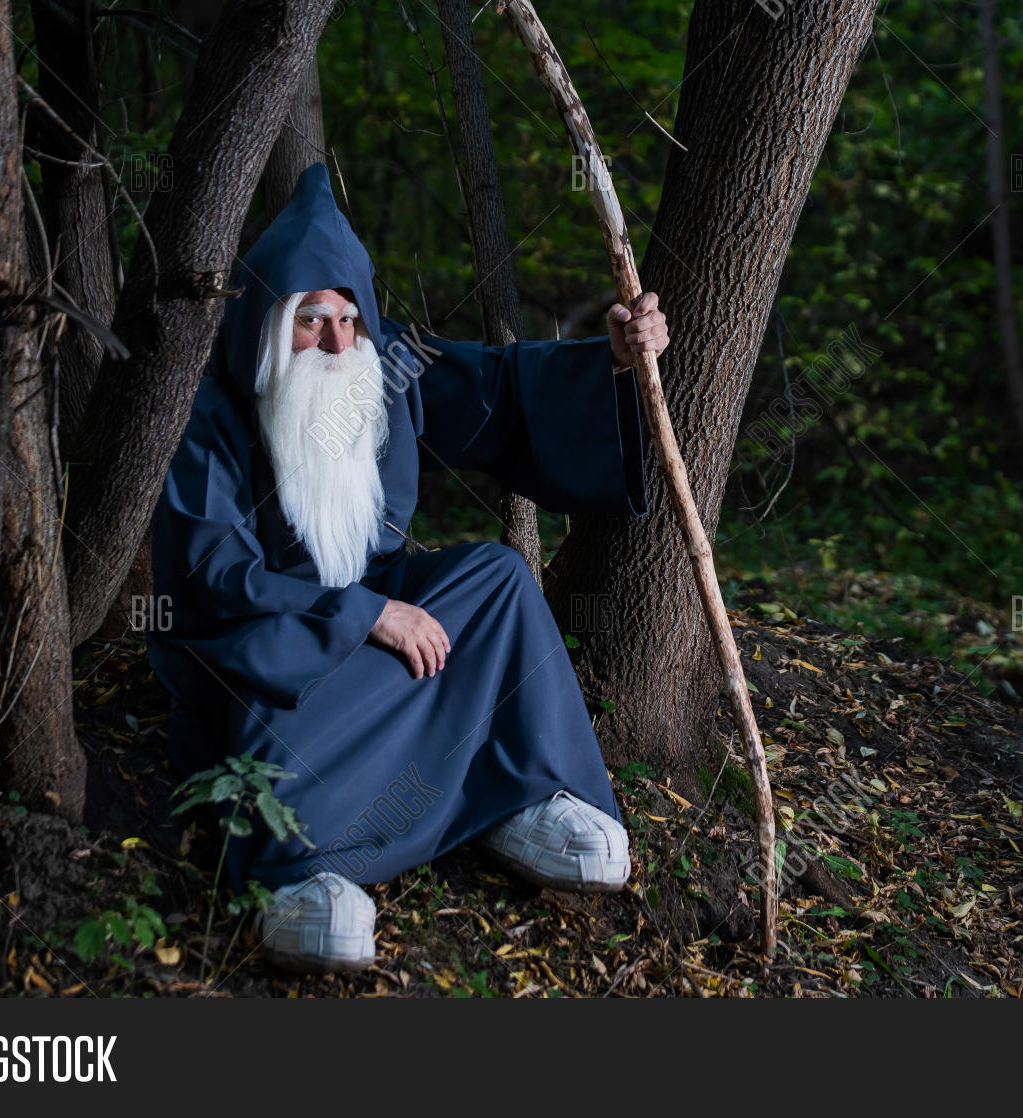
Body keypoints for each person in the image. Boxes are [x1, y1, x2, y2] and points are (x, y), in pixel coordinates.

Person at [145, 164, 669, 972]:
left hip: (375, 623)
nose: (334, 343)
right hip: (278, 649)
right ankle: (299, 868)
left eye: (350, 321)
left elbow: (505, 391)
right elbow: (211, 571)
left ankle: (519, 792)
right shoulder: (212, 413)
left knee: (496, 582)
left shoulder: (380, 374)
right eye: (311, 320)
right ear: (266, 322)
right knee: (257, 682)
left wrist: (615, 360)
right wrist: (366, 617)